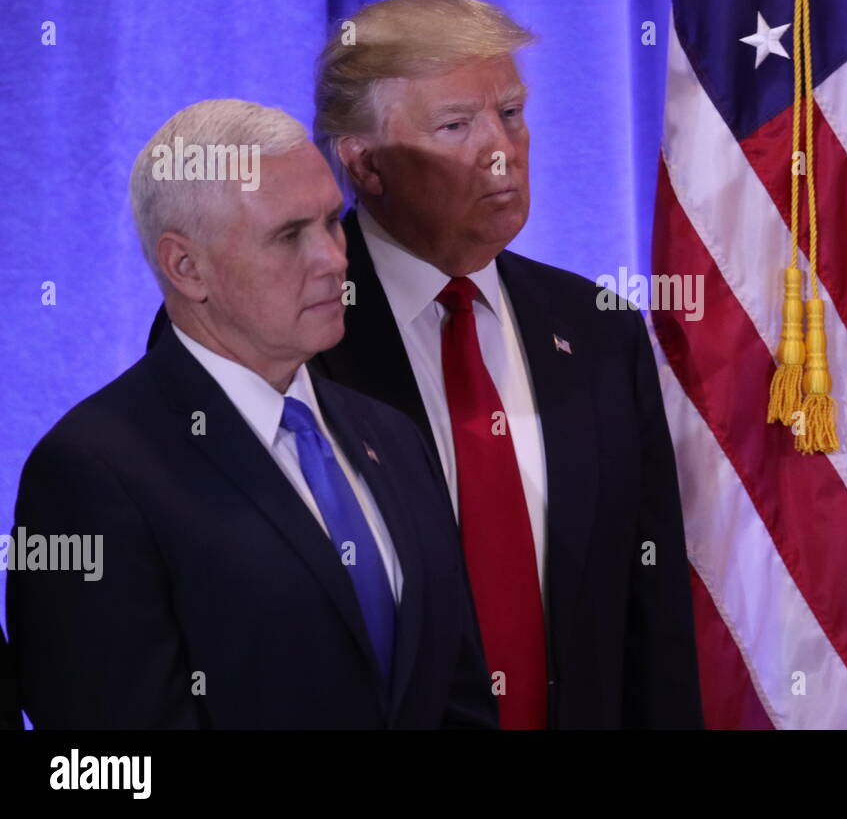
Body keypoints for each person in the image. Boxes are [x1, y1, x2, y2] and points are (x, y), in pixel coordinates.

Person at [11, 99, 496, 729]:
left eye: (331, 222)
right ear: (186, 267)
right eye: (289, 235)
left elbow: (455, 696)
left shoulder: (392, 435)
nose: (332, 258)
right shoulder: (90, 472)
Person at [313, 0, 703, 728]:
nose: (502, 150)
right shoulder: (294, 337)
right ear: (364, 166)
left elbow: (651, 619)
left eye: (512, 114)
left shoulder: (598, 329)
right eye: (457, 125)